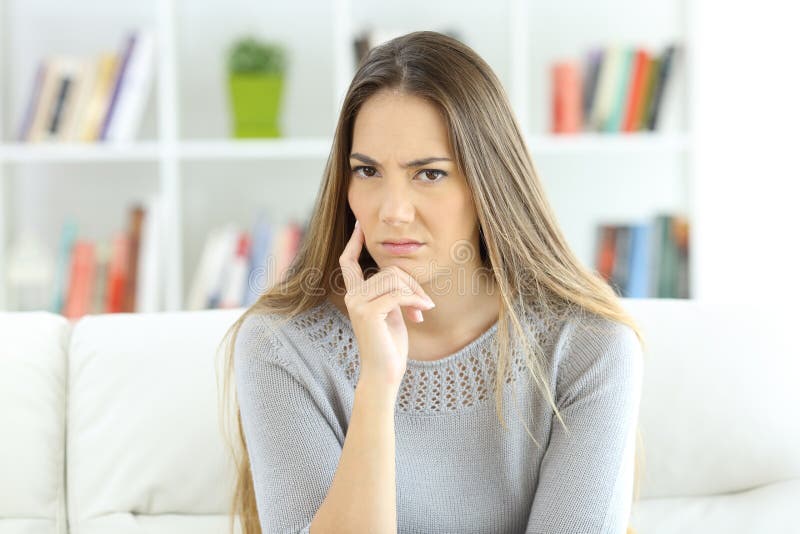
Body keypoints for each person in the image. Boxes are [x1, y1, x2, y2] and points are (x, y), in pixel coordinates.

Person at [219, 30, 645, 534]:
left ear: (488, 183)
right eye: (368, 171)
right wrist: (376, 384)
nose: (393, 212)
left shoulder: (588, 349)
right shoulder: (281, 345)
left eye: (430, 174)